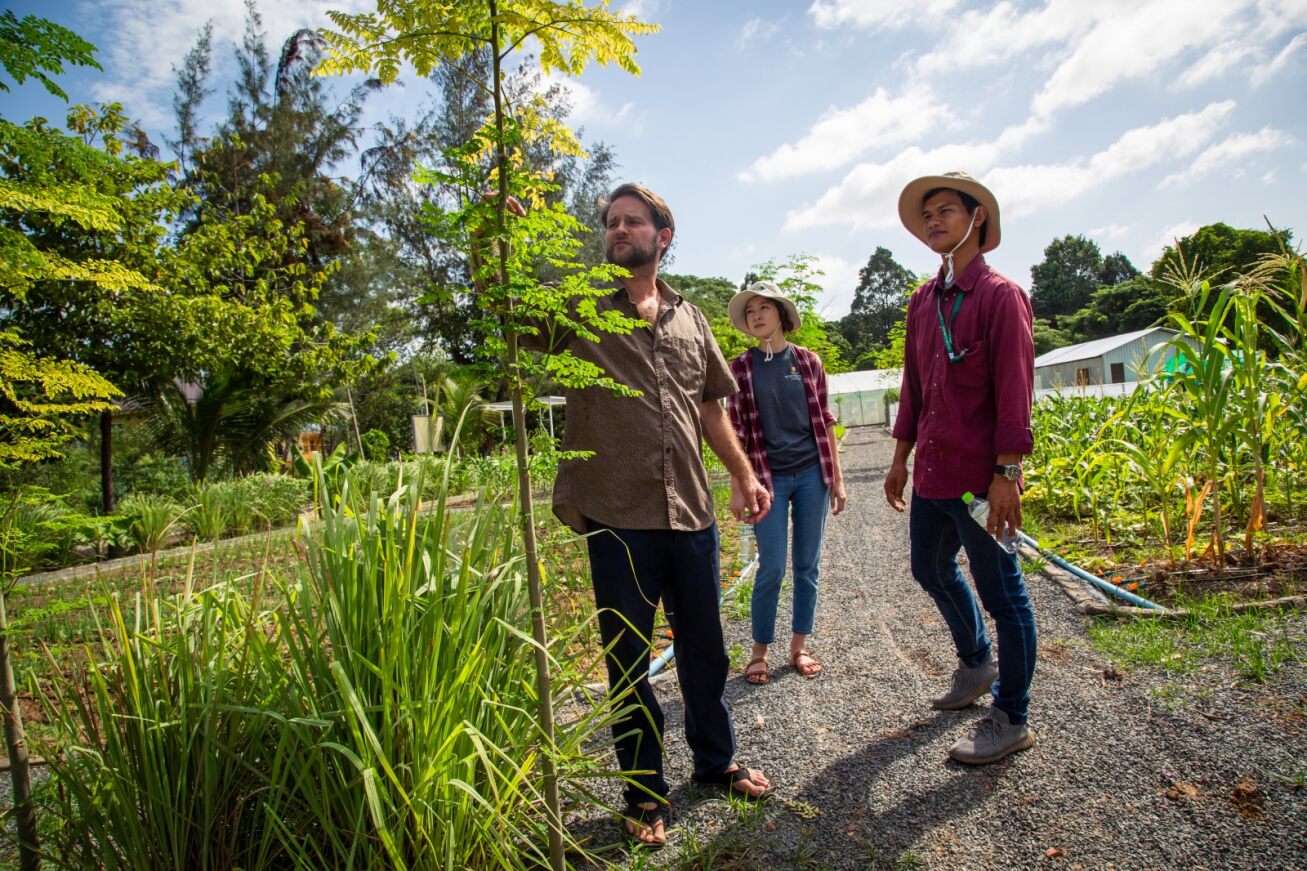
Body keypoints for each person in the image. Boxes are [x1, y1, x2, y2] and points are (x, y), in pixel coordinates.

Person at [492, 183, 774, 846]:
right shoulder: (579, 311)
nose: (618, 229)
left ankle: (714, 762)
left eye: (631, 221)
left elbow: (710, 407)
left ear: (662, 235)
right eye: (611, 223)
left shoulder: (689, 316)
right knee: (627, 659)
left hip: (691, 513)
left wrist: (741, 473)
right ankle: (644, 791)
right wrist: (494, 240)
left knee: (704, 648)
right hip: (616, 513)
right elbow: (508, 314)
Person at [882, 171, 1038, 765]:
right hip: (935, 473)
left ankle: (1011, 714)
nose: (932, 222)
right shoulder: (923, 301)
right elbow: (914, 386)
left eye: (945, 211)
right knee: (929, 566)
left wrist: (1007, 472)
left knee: (1005, 595)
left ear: (978, 219)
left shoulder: (1001, 296)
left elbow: (1014, 390)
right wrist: (900, 458)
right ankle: (976, 664)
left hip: (983, 476)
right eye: (926, 216)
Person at [724, 282, 846, 685]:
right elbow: (735, 431)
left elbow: (826, 422)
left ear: (781, 314)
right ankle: (759, 651)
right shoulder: (740, 368)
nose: (756, 315)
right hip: (766, 478)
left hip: (813, 474)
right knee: (772, 566)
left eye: (764, 308)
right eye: (750, 311)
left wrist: (838, 481)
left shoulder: (808, 362)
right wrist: (738, 485)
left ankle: (799, 646)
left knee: (807, 566)